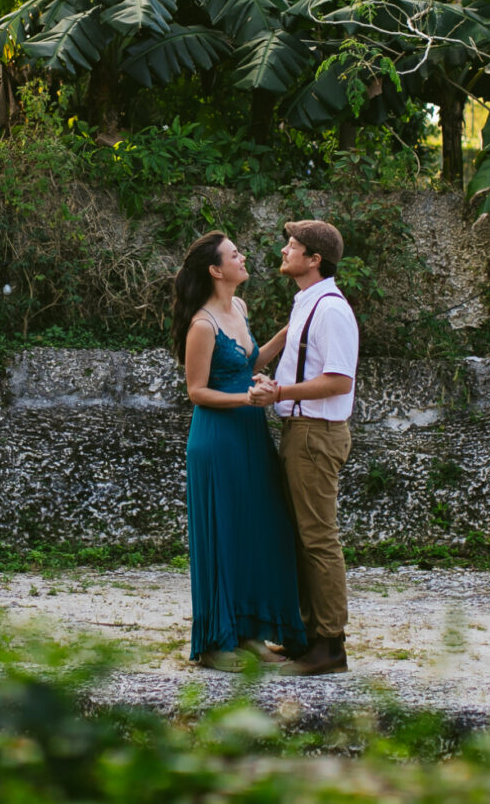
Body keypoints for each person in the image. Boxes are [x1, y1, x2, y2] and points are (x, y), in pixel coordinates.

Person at [172, 230, 308, 671]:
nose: (243, 256)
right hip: (217, 438)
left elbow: (251, 363)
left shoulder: (240, 308)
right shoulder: (202, 324)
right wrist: (245, 400)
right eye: (234, 254)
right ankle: (217, 643)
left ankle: (248, 633)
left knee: (259, 529)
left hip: (251, 432)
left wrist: (295, 325)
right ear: (216, 270)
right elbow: (197, 391)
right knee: (225, 535)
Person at [247, 219, 357, 677]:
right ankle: (312, 636)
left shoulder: (330, 309)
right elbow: (274, 354)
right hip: (302, 432)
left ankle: (330, 646)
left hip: (315, 433)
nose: (285, 249)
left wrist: (280, 394)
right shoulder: (307, 304)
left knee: (318, 540)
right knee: (304, 538)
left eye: (293, 245)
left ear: (314, 260)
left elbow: (338, 379)